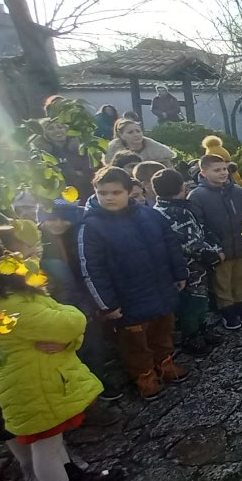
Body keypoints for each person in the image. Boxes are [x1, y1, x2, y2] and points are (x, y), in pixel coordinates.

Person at [0, 225, 122, 481]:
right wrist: (71, 318)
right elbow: (68, 322)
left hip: (35, 378)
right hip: (33, 384)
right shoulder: (10, 304)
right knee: (45, 447)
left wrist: (65, 332)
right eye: (22, 251)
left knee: (53, 443)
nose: (29, 255)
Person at [78, 166, 190, 401]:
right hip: (128, 299)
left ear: (129, 191)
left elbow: (171, 244)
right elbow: (91, 269)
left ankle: (164, 363)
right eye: (103, 192)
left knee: (163, 331)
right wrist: (107, 305)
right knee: (135, 344)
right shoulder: (91, 227)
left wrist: (179, 273)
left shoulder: (149, 215)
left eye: (116, 192)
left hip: (160, 288)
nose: (109, 198)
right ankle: (144, 376)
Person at [38, 199, 121, 402]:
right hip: (60, 308)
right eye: (52, 219)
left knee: (94, 346)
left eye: (64, 219)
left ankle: (98, 381)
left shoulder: (80, 236)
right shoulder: (38, 245)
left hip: (87, 304)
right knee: (73, 353)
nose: (58, 224)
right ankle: (82, 393)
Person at [152, 169, 225, 357]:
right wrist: (215, 254)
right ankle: (192, 338)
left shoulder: (160, 210)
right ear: (181, 186)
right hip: (190, 269)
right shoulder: (178, 212)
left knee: (199, 301)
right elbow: (192, 243)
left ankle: (202, 330)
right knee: (192, 304)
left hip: (187, 269)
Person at [188, 154, 242, 330]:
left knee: (239, 280)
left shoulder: (239, 191)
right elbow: (199, 226)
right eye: (216, 170)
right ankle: (228, 312)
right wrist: (215, 248)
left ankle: (241, 307)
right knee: (222, 284)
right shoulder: (197, 196)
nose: (223, 173)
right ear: (204, 172)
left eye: (224, 169)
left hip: (241, 246)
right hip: (220, 252)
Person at [37, 118, 95, 202]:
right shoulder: (42, 153)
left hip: (87, 191)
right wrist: (74, 173)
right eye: (51, 129)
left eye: (60, 127)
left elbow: (90, 168)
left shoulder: (80, 147)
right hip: (60, 197)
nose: (57, 131)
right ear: (44, 134)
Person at [103, 119, 174, 168]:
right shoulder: (113, 154)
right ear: (121, 135)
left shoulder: (160, 153)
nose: (136, 135)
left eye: (138, 131)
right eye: (130, 132)